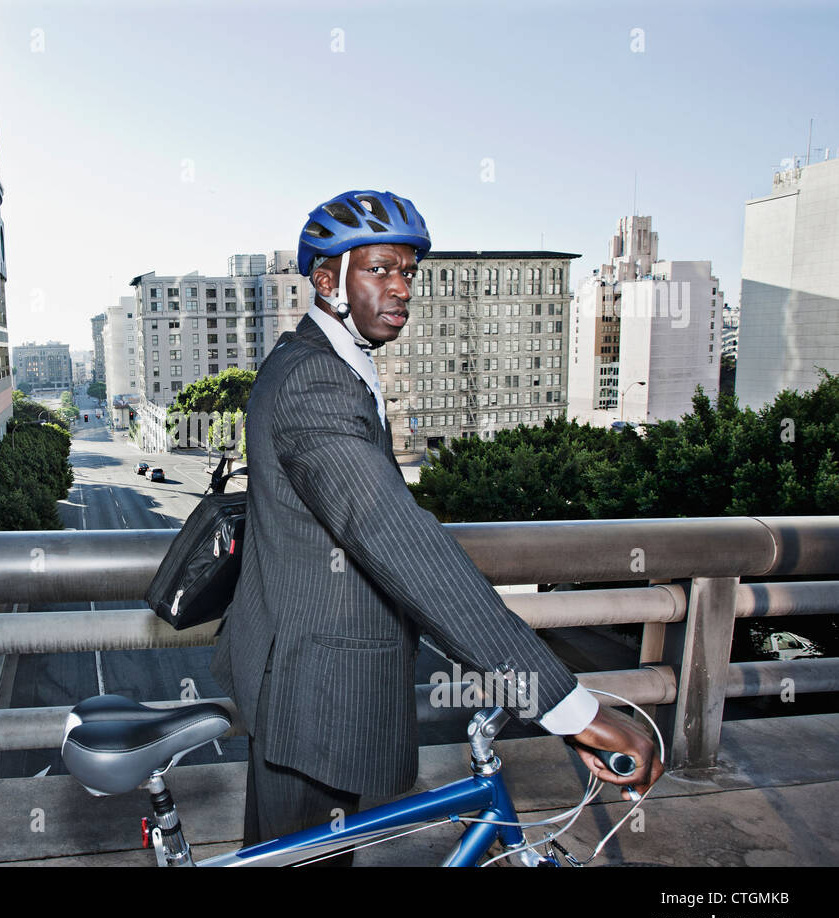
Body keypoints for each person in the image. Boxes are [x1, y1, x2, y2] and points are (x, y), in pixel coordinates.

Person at [209, 188, 661, 862]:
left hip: (312, 679)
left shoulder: (335, 364)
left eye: (409, 273)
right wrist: (564, 705)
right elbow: (397, 539)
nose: (400, 289)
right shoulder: (315, 383)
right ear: (328, 279)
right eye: (380, 269)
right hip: (312, 694)